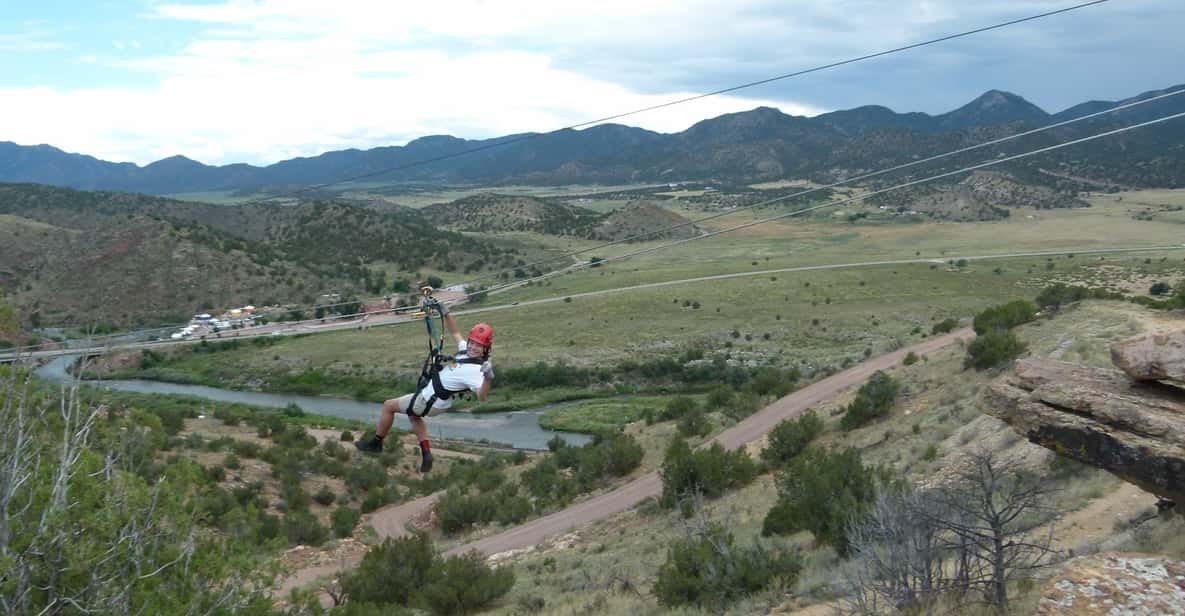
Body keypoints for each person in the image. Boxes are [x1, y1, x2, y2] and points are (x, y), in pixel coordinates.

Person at [355, 302, 493, 473]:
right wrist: (446, 313)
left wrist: (488, 378)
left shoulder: (478, 371)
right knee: (414, 416)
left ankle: (376, 443)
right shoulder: (466, 351)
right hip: (434, 400)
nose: (473, 347)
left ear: (485, 349)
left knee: (388, 406)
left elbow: (481, 396)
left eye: (478, 346)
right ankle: (426, 454)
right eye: (472, 342)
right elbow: (455, 332)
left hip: (428, 400)